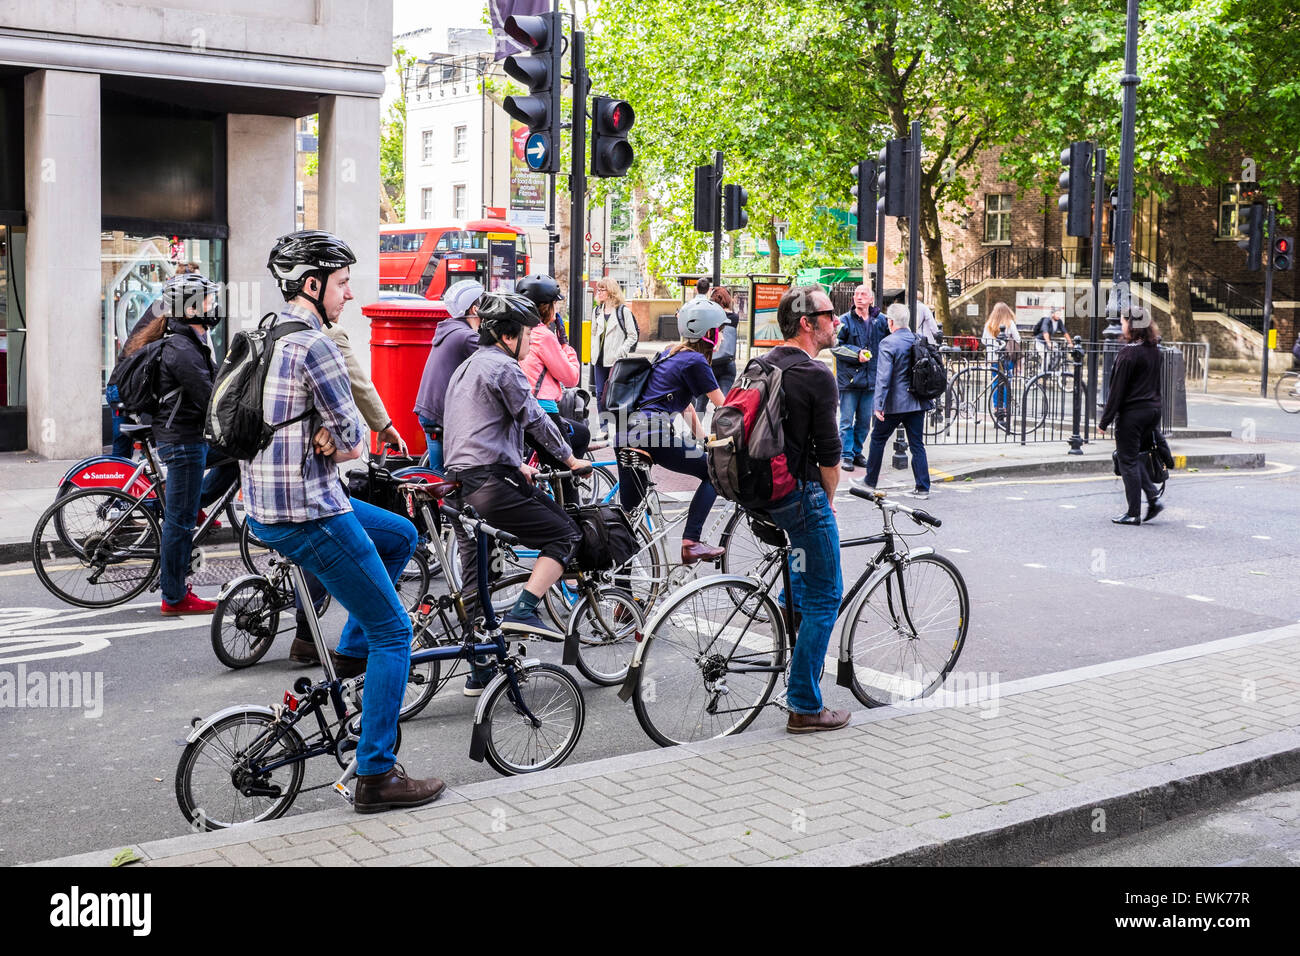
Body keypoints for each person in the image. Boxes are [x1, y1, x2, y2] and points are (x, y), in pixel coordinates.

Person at [243, 230, 443, 813]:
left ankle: (353, 647)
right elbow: (354, 439)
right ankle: (377, 776)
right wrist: (340, 434)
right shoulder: (317, 346)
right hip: (308, 509)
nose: (349, 295)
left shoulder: (264, 332)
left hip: (268, 502)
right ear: (312, 285)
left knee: (400, 534)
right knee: (397, 631)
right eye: (342, 283)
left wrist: (334, 434)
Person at [442, 292, 591, 691]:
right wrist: (570, 459)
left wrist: (516, 462)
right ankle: (525, 610)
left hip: (459, 485)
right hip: (490, 485)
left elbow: (477, 427)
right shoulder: (505, 369)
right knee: (565, 533)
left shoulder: (468, 366)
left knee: (478, 579)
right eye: (527, 333)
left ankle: (481, 670)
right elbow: (536, 419)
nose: (530, 341)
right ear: (510, 336)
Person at [760, 285, 848, 733]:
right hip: (800, 496)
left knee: (802, 567)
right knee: (827, 595)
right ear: (807, 323)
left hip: (765, 499)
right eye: (829, 314)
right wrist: (827, 504)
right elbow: (830, 458)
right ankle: (804, 705)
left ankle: (789, 616)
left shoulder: (763, 364)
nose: (837, 320)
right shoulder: (816, 375)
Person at [122, 273, 229, 615]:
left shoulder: (190, 340)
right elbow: (209, 397)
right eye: (208, 300)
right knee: (179, 523)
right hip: (183, 442)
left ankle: (198, 501)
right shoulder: (182, 348)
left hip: (186, 438)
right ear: (192, 307)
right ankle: (174, 596)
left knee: (234, 455)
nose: (214, 306)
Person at [618, 296, 729, 564]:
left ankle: (621, 594)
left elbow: (685, 405)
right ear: (709, 334)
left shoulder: (670, 351)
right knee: (713, 474)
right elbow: (725, 408)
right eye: (720, 331)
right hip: (653, 433)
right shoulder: (696, 362)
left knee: (630, 520)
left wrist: (703, 439)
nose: (723, 336)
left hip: (626, 431)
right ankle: (691, 542)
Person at [1099, 306, 1164, 525]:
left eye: (1124, 322)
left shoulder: (1129, 352)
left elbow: (1117, 390)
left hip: (1133, 414)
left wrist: (1104, 421)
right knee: (1136, 457)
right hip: (1153, 412)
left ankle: (1133, 512)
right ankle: (1153, 497)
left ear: (1132, 325)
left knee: (1127, 460)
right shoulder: (1154, 349)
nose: (1122, 326)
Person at [861, 304, 933, 499]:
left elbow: (883, 378)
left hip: (895, 403)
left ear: (890, 322)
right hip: (917, 402)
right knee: (917, 444)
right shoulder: (918, 339)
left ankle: (870, 481)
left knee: (877, 439)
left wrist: (879, 405)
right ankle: (923, 487)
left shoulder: (888, 343)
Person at [413, 280, 484, 473]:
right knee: (444, 477)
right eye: (484, 303)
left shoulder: (451, 329)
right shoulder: (466, 337)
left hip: (430, 410)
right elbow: (497, 362)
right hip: (440, 414)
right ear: (475, 309)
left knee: (441, 472)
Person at [830, 284, 887, 472]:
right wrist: (857, 354)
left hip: (871, 380)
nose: (859, 297)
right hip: (850, 381)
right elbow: (836, 346)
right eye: (856, 294)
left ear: (871, 299)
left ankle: (856, 451)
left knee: (864, 421)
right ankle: (845, 455)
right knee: (846, 421)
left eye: (863, 294)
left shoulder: (881, 321)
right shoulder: (845, 321)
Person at [591, 276, 639, 415]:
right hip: (599, 360)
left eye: (602, 289)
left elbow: (632, 335)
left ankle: (619, 429)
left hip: (615, 360)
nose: (598, 292)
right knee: (600, 395)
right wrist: (593, 350)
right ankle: (603, 428)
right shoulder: (597, 311)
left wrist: (621, 351)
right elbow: (594, 333)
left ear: (611, 291)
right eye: (598, 289)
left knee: (615, 396)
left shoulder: (623, 312)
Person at [692, 285, 741, 415]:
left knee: (700, 404)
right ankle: (719, 433)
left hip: (708, 363)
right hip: (727, 363)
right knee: (723, 406)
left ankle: (695, 434)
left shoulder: (708, 316)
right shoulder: (734, 317)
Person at [982, 302, 1021, 418]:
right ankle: (1004, 407)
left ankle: (996, 407)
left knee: (995, 382)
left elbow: (984, 341)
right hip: (1007, 357)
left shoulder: (989, 324)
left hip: (993, 358)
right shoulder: (1009, 323)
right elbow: (1018, 339)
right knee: (1006, 382)